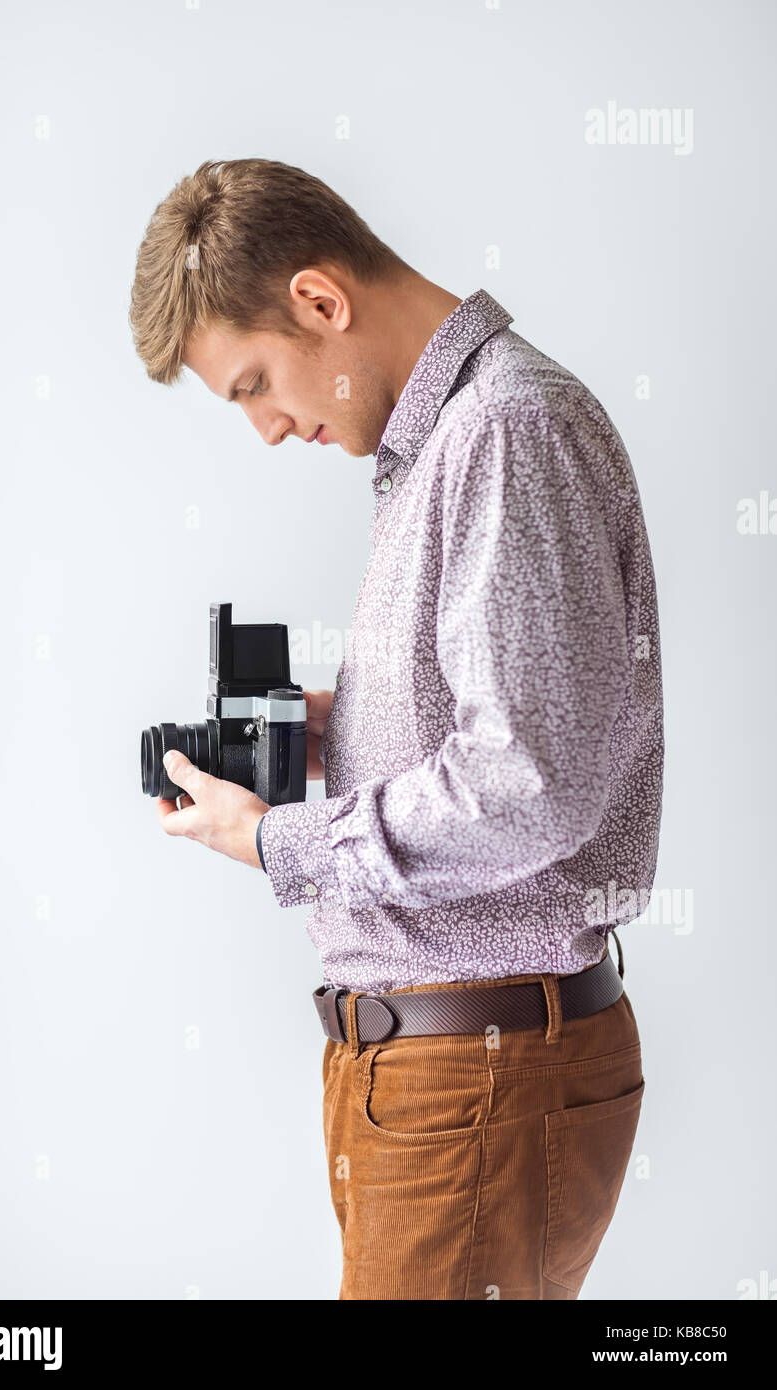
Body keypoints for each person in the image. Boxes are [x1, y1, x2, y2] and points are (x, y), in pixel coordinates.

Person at [129, 158, 664, 1300]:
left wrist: (283, 843)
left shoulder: (500, 431)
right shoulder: (445, 447)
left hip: (472, 1075)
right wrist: (343, 729)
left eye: (253, 384)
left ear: (321, 302)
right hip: (446, 1070)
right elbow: (510, 730)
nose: (268, 429)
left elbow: (526, 782)